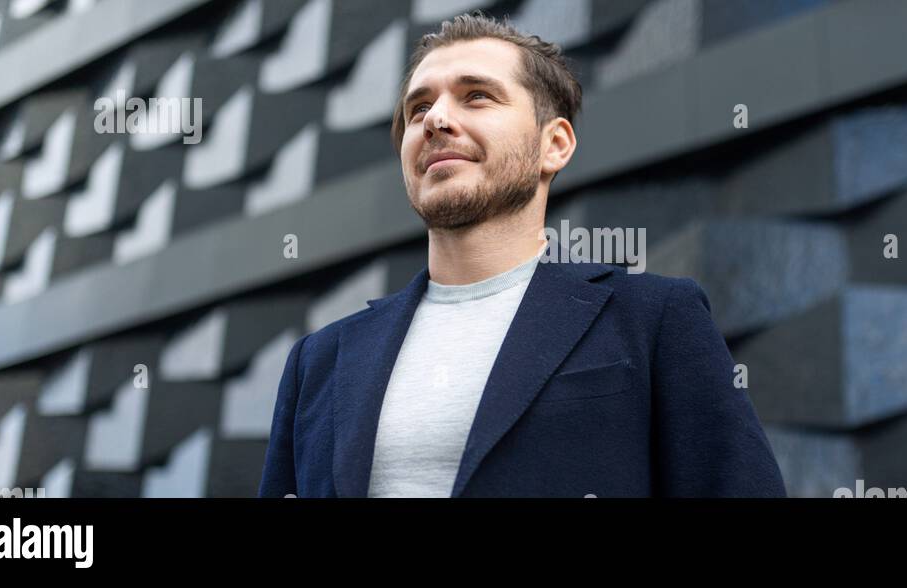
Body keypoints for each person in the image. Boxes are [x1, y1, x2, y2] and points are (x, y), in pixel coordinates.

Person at [259, 12, 785, 498]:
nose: (436, 119)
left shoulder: (654, 319)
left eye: (477, 96)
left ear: (553, 144)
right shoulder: (319, 360)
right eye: (419, 107)